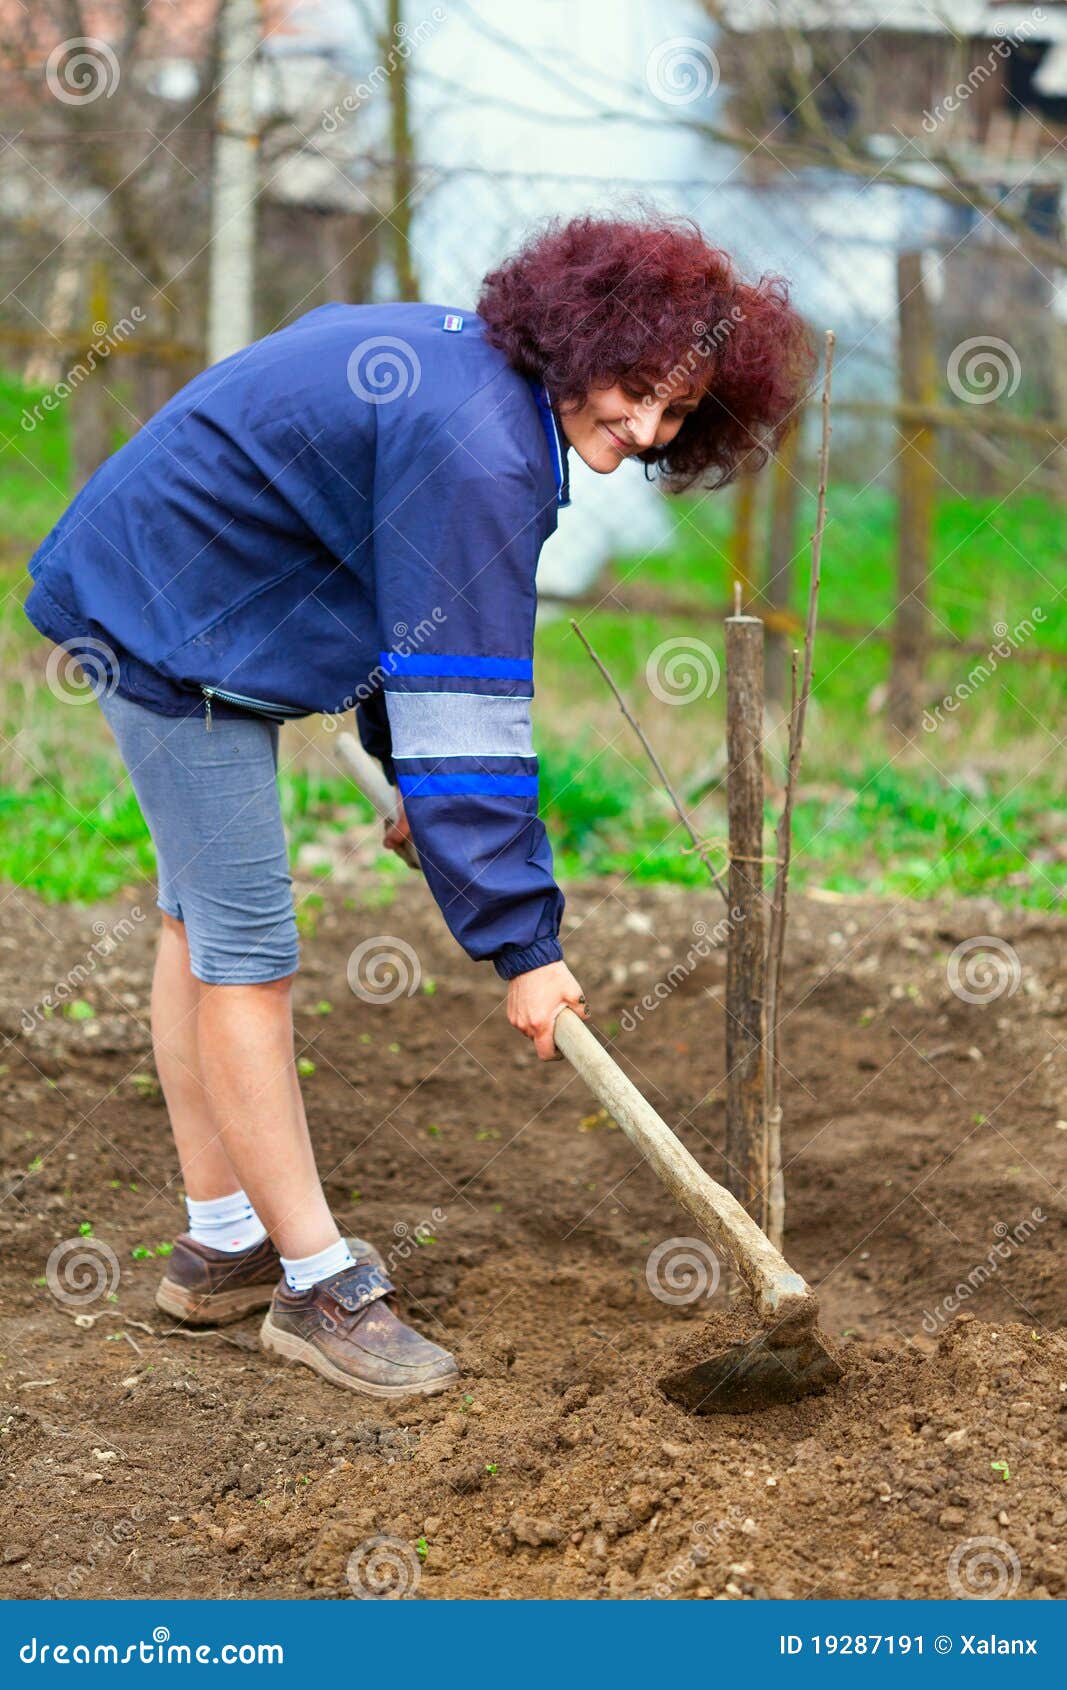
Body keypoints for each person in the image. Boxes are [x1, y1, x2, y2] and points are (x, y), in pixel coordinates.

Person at [23, 212, 813, 1399]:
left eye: (676, 414)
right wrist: (523, 945)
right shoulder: (482, 448)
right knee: (248, 950)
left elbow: (410, 613)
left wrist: (407, 778)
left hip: (186, 588)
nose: (645, 428)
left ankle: (220, 1241)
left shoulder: (477, 385)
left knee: (202, 924)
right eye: (634, 389)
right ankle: (313, 1285)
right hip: (168, 622)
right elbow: (472, 707)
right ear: (581, 334)